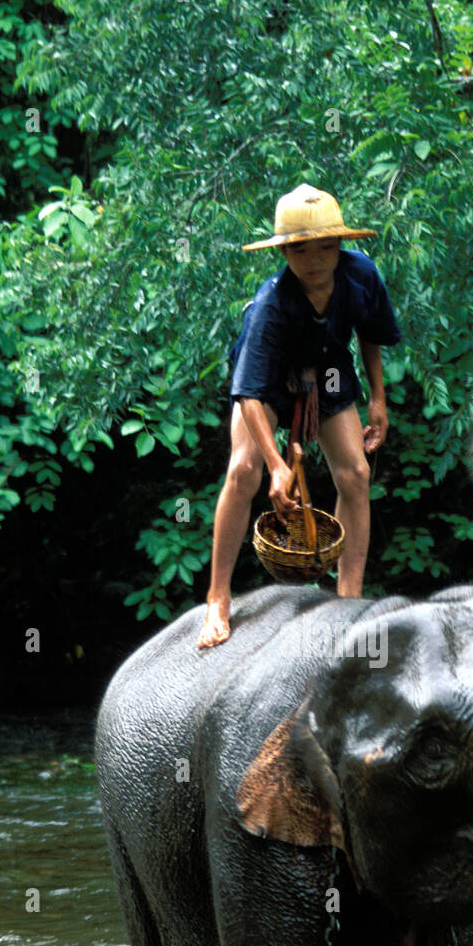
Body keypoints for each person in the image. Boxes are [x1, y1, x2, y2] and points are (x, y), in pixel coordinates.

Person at [197, 183, 401, 648]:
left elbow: (371, 332)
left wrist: (378, 398)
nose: (315, 260)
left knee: (355, 473)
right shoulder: (271, 305)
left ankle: (348, 597)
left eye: (326, 247)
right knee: (243, 469)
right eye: (301, 249)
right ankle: (218, 597)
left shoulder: (361, 276)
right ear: (285, 251)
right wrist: (276, 466)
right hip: (269, 385)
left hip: (327, 373)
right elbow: (248, 393)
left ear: (341, 245)